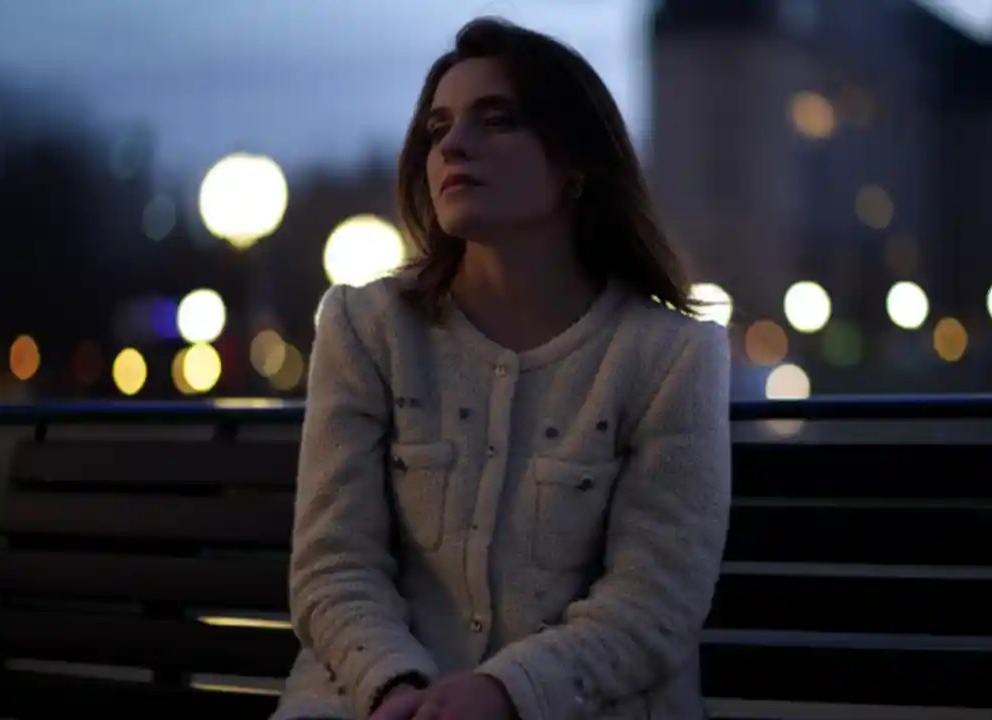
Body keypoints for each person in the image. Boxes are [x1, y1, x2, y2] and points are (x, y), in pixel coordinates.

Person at [272, 16, 732, 720]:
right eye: (438, 129)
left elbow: (654, 599)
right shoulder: (366, 328)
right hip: (368, 703)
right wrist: (393, 685)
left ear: (576, 161)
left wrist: (505, 693)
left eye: (497, 120)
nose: (453, 145)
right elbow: (334, 563)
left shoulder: (670, 356)